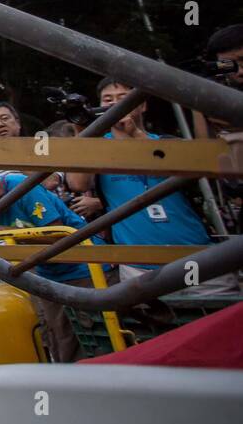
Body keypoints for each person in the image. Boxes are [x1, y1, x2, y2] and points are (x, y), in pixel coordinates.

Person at [65, 77, 233, 295]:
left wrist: (135, 134)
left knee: (220, 324)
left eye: (123, 99)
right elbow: (77, 183)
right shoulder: (98, 150)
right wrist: (83, 132)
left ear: (142, 105)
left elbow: (182, 168)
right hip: (138, 267)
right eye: (107, 100)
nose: (115, 105)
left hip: (196, 256)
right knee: (162, 329)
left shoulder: (165, 142)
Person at [0, 169, 109, 362]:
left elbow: (57, 235)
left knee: (99, 338)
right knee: (60, 341)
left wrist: (3, 232)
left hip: (86, 266)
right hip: (44, 277)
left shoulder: (21, 186)